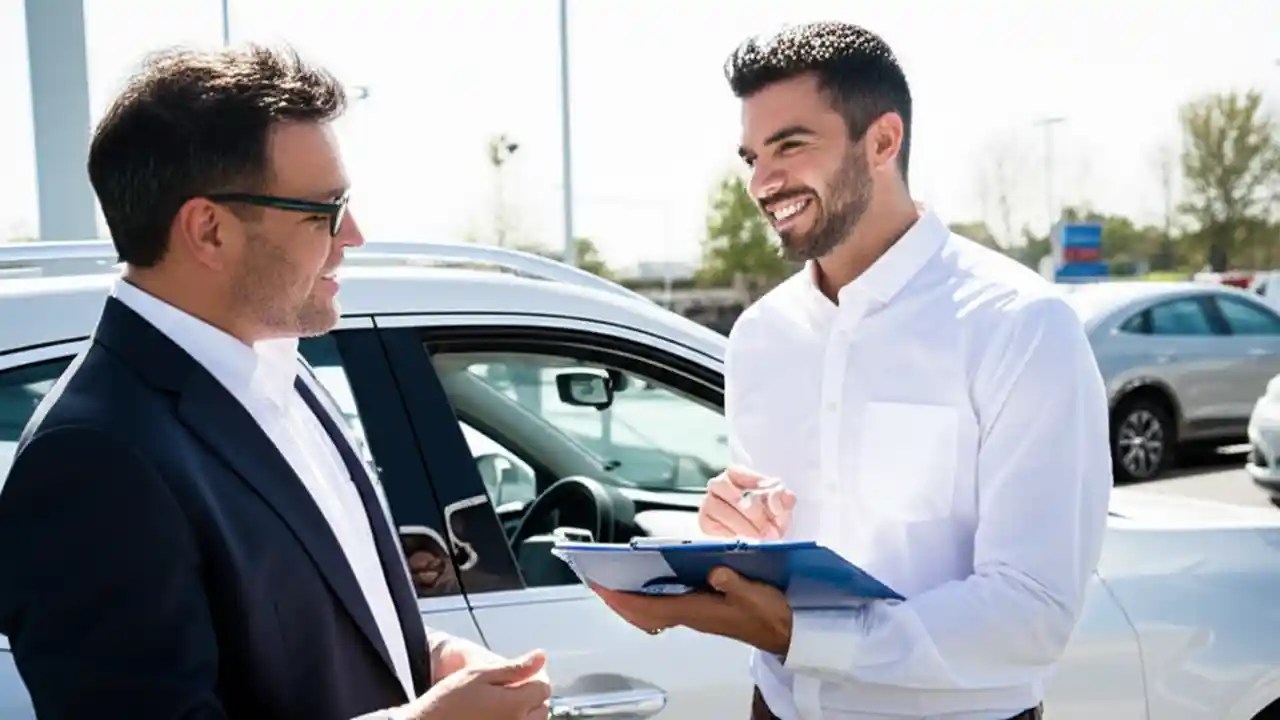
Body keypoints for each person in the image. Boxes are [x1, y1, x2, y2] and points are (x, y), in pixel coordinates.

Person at [0, 45, 549, 720]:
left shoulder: (284, 372)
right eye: (325, 209)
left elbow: (310, 633)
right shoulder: (92, 459)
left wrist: (435, 660)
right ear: (209, 230)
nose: (353, 234)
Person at [590, 21, 1112, 720]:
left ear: (883, 142)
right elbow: (784, 562)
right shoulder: (760, 337)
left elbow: (1034, 611)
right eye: (752, 156)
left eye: (791, 145)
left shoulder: (1018, 325)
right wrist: (727, 549)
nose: (763, 182)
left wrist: (802, 634)